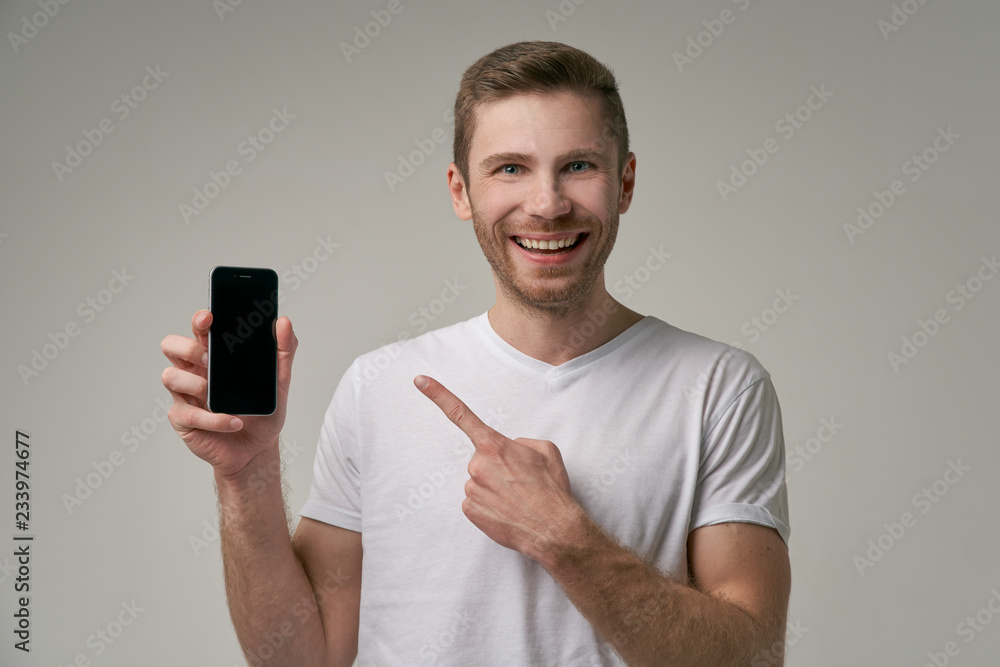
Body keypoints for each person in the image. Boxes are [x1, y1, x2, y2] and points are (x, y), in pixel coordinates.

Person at [161, 41, 791, 666]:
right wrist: (245, 477)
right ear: (461, 191)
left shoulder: (719, 387)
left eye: (578, 166)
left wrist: (566, 540)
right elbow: (303, 658)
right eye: (510, 168)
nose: (547, 204)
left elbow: (752, 659)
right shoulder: (378, 385)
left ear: (624, 182)